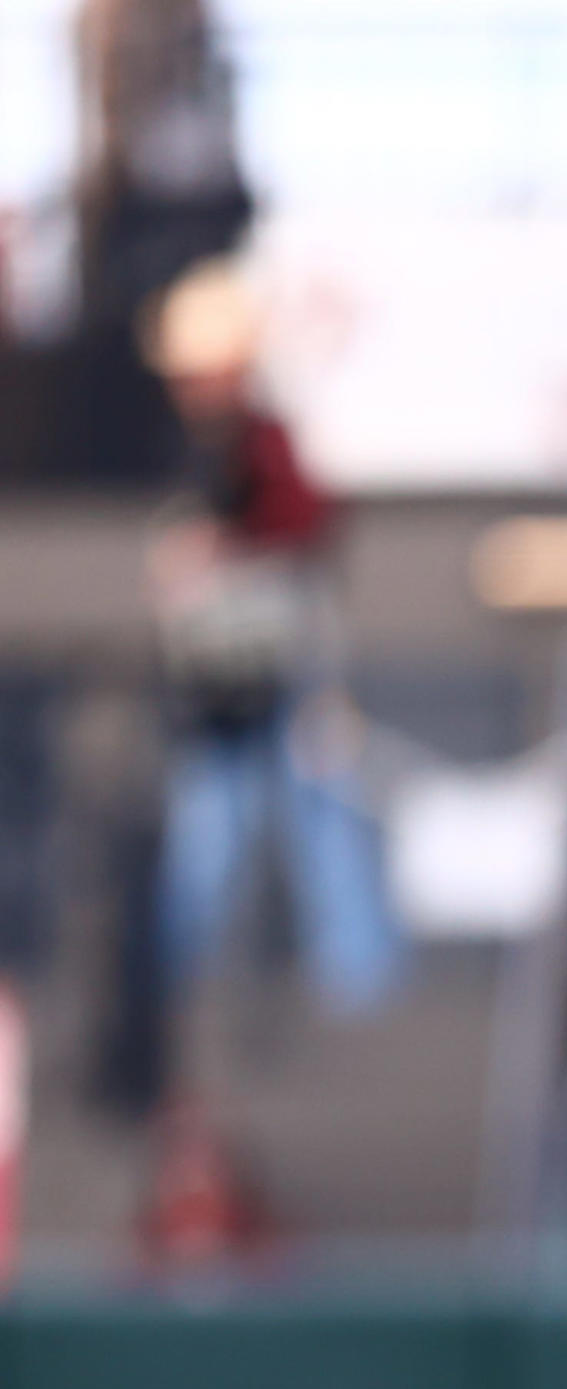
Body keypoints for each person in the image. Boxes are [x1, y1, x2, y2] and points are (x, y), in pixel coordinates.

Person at [140, 258, 402, 1040]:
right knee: (215, 825)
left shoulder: (267, 434)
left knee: (316, 814)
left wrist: (224, 551)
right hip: (220, 669)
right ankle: (181, 985)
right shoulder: (207, 441)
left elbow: (308, 522)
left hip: (279, 656)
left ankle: (359, 981)